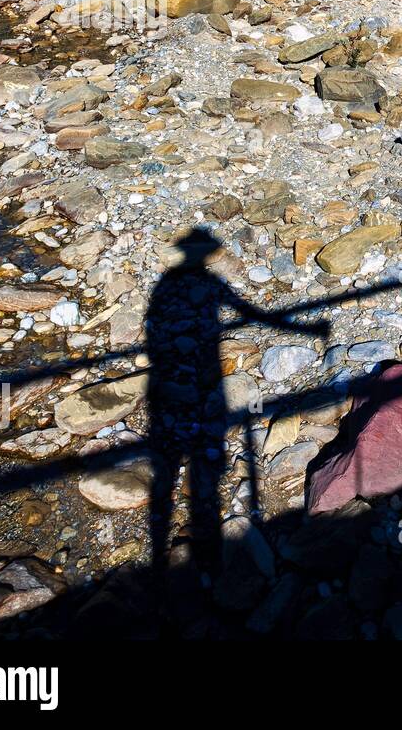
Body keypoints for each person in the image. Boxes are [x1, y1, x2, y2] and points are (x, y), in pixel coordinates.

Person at [144, 227, 326, 586]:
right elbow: (251, 313)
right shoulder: (206, 282)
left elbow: (153, 331)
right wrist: (305, 330)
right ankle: (202, 555)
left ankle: (161, 557)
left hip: (171, 382)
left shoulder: (167, 283)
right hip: (203, 379)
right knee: (204, 464)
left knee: (166, 467)